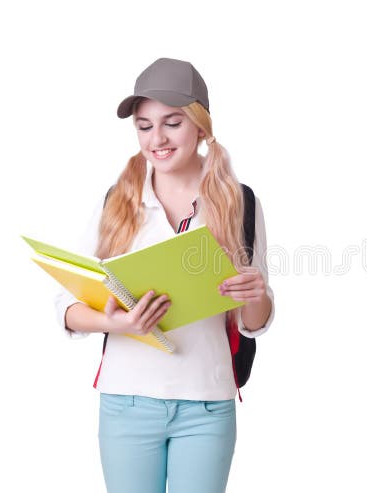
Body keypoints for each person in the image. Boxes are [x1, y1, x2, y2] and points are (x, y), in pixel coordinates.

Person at [54, 57, 274, 493]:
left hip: (207, 404)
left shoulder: (240, 202)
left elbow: (255, 323)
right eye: (144, 125)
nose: (157, 138)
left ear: (200, 126)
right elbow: (68, 305)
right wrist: (114, 323)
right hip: (126, 401)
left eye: (172, 123)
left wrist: (254, 293)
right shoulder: (118, 202)